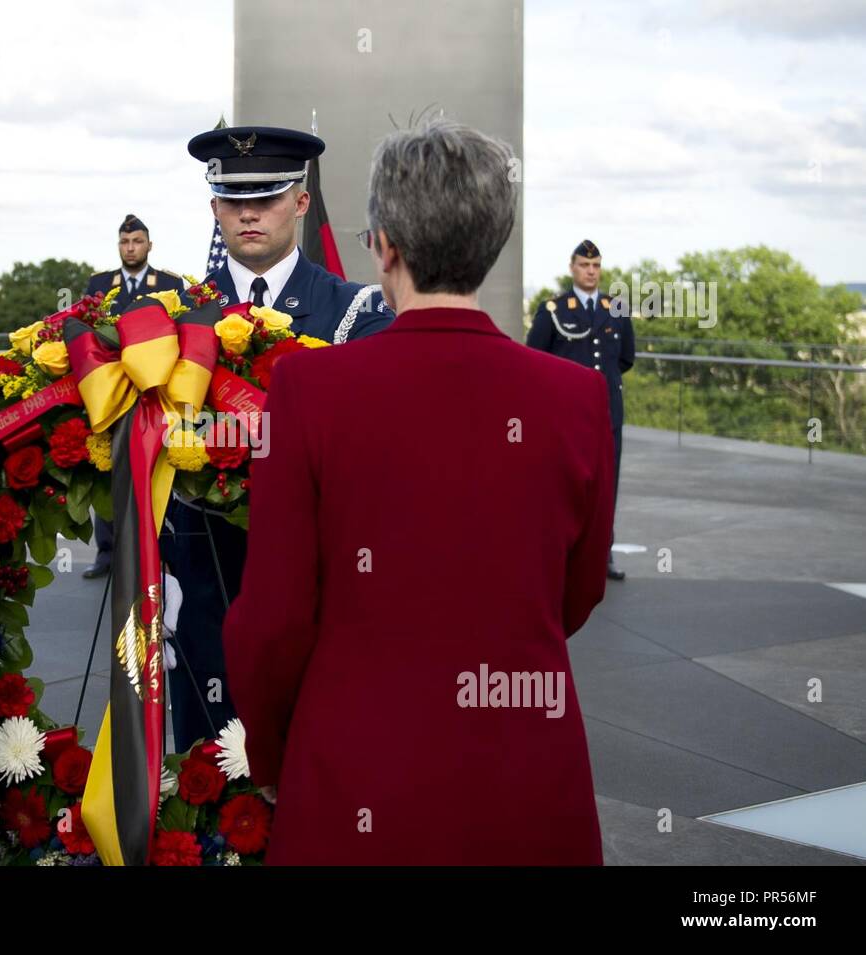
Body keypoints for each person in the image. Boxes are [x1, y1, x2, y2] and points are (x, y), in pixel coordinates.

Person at [222, 118, 610, 865]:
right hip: (529, 779)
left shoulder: (308, 389)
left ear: (385, 244)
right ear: (490, 241)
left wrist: (273, 759)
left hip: (356, 775)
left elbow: (270, 621)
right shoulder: (578, 397)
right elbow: (577, 594)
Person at [161, 126, 395, 754]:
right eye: (233, 200)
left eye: (265, 197)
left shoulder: (357, 314)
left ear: (300, 202)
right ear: (214, 208)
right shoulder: (170, 320)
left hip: (316, 605)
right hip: (202, 593)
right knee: (204, 796)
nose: (248, 213)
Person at [82, 214, 187, 579]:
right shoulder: (99, 284)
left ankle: (160, 548)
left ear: (149, 245)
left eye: (137, 241)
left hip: (156, 391)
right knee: (110, 468)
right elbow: (88, 335)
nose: (131, 248)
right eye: (125, 242)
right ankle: (107, 554)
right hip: (114, 391)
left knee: (159, 466)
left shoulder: (170, 283)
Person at [526, 241, 635, 579]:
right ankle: (566, 552)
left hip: (607, 413)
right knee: (567, 483)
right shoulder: (555, 309)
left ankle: (603, 554)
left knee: (607, 484)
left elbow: (626, 358)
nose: (591, 271)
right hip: (568, 416)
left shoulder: (615, 307)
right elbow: (536, 357)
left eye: (596, 265)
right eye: (585, 265)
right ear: (572, 267)